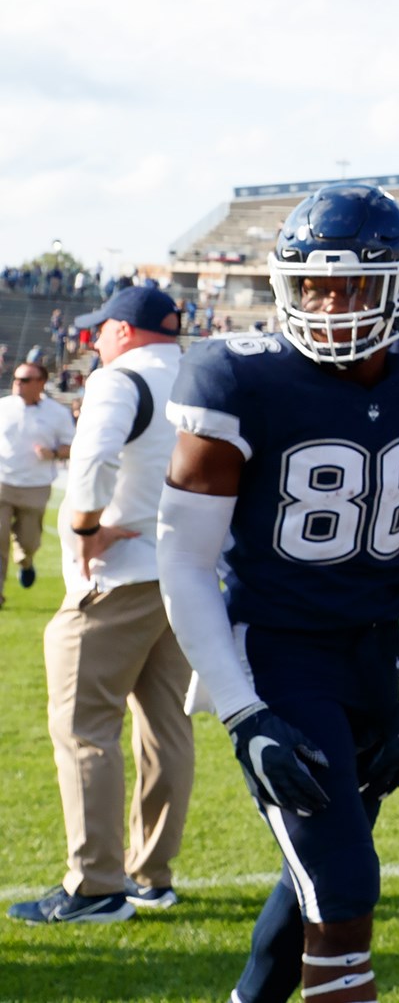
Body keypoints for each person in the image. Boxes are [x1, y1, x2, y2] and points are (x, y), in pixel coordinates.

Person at [157, 185, 399, 1003]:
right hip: (275, 652)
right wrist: (244, 713)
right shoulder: (238, 379)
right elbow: (186, 561)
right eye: (315, 286)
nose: (331, 305)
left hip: (372, 655)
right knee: (343, 890)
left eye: (353, 285)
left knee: (316, 877)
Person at [11, 288, 192, 925]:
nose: (94, 341)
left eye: (102, 329)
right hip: (182, 575)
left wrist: (86, 528)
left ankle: (94, 887)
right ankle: (152, 875)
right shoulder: (202, 375)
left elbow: (92, 456)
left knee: (84, 729)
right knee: (166, 728)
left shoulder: (120, 378)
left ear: (123, 329)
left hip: (118, 577)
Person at [1, 358, 77, 597]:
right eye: (16, 379)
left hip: (36, 485)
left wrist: (52, 453)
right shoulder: (3, 406)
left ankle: (26, 561)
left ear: (41, 383)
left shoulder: (57, 413)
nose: (17, 384)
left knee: (29, 540)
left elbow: (72, 445)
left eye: (24, 380)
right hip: (2, 482)